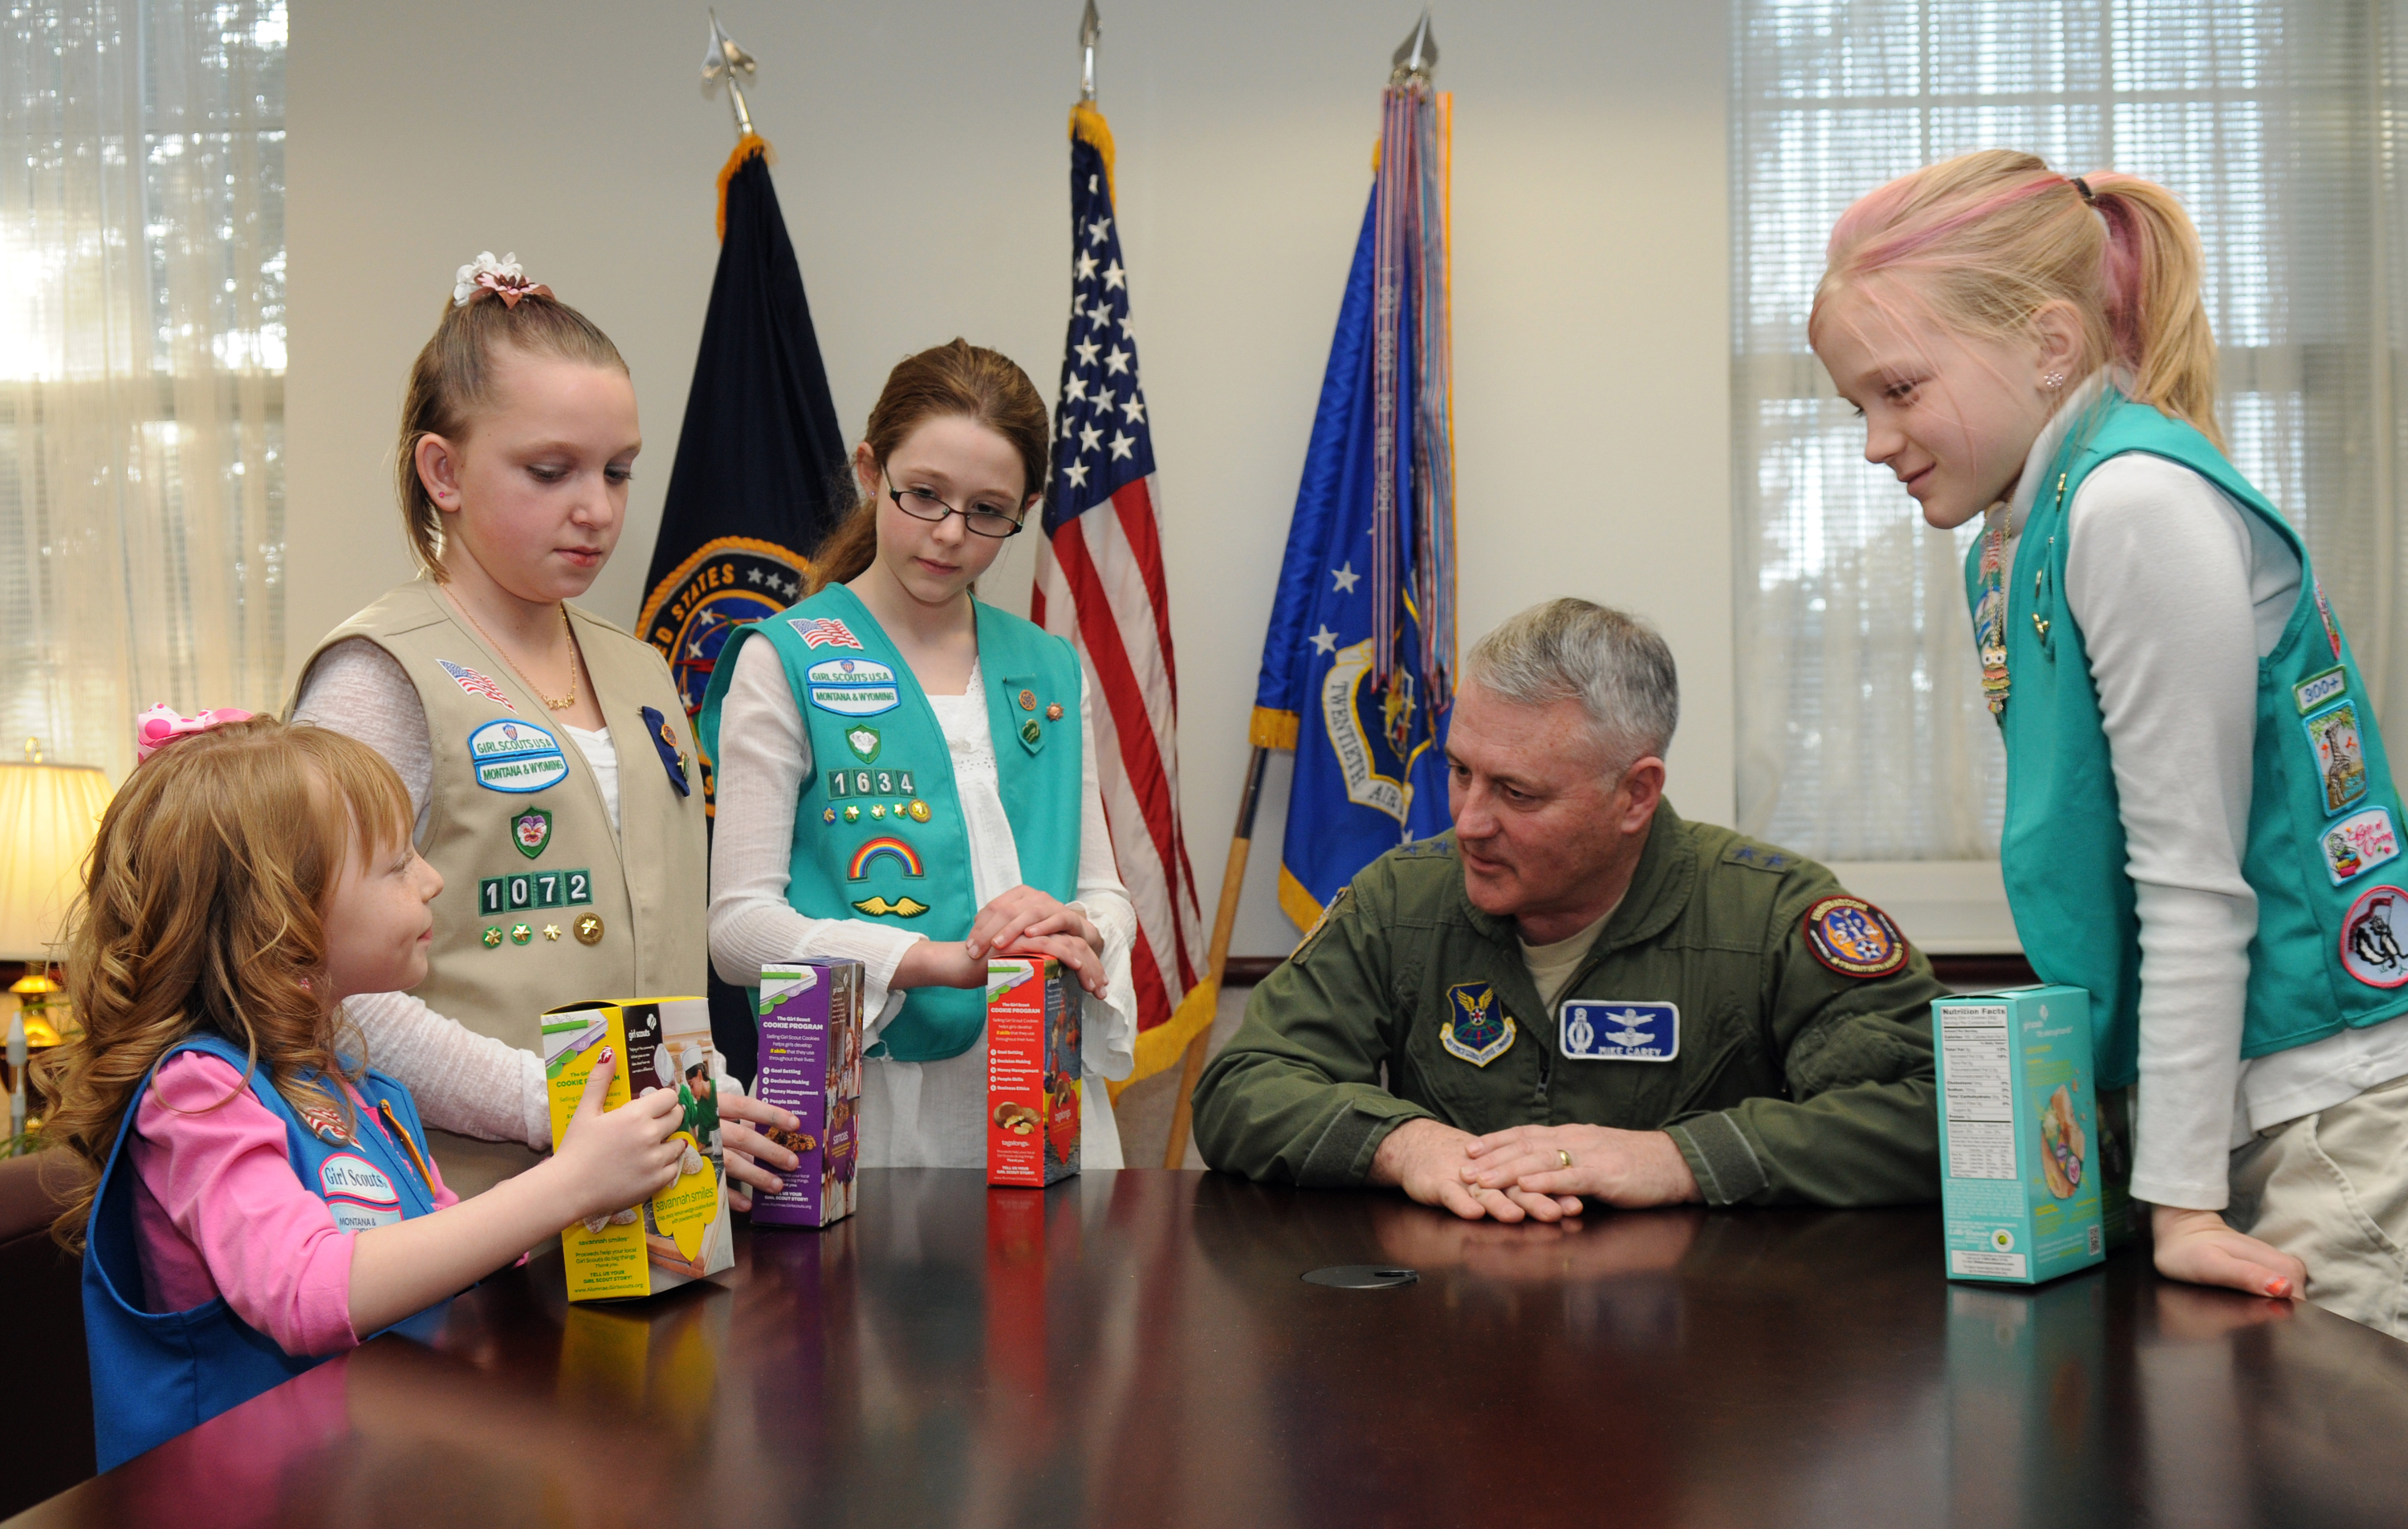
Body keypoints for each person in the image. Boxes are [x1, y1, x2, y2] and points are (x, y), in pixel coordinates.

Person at [1811, 151, 2408, 1335]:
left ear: (2047, 346)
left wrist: (2178, 1209)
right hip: (2238, 1107)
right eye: (1855, 406)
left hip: (2326, 1114)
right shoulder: (2020, 529)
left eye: (1901, 389)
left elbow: (2193, 883)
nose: (1876, 441)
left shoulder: (2134, 502)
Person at [283, 252, 797, 1204]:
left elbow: (656, 948)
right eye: (550, 470)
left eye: (618, 471)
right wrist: (559, 1104)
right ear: (443, 470)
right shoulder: (378, 675)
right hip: (453, 1218)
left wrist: (707, 1102)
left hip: (659, 1212)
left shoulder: (643, 671)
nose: (596, 509)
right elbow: (321, 988)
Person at [43, 711, 686, 1470]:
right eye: (396, 865)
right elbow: (308, 1293)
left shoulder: (362, 1091)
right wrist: (564, 1184)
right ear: (281, 921)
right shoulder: (195, 1096)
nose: (433, 877)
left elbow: (450, 1256)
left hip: (357, 1488)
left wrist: (593, 1219)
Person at [1193, 599, 1946, 1219]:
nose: (1468, 822)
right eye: (1461, 772)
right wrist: (1406, 1143)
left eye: (1518, 793)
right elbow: (1242, 1086)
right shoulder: (1402, 898)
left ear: (1635, 794)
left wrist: (1681, 1157)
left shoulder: (1772, 915)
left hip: (1707, 1352)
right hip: (1456, 1342)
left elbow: (1938, 1112)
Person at [700, 340, 1138, 1166]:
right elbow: (740, 931)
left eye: (987, 511)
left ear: (1028, 506)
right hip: (870, 1095)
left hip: (1039, 1082)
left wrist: (1073, 924)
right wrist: (938, 962)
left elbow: (1106, 894)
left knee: (1055, 1295)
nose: (948, 536)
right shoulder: (786, 657)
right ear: (870, 470)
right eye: (924, 495)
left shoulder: (1048, 667)